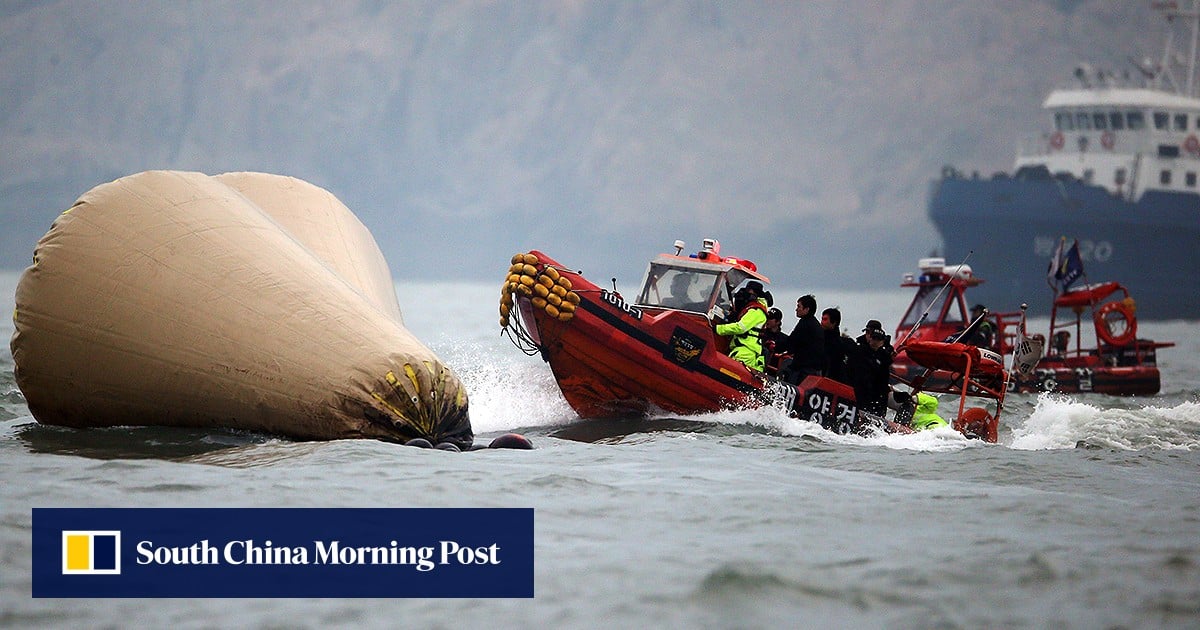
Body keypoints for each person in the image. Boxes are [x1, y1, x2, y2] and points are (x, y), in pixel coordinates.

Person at [715, 281, 769, 371]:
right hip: (740, 350)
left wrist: (718, 328)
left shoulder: (757, 311)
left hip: (746, 352)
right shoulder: (750, 309)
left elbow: (740, 327)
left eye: (749, 291)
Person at [848, 320, 893, 417]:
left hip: (878, 396)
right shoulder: (858, 349)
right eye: (868, 334)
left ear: (882, 341)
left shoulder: (885, 356)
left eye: (878, 339)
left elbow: (883, 378)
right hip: (860, 393)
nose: (874, 341)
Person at [783, 294, 826, 383]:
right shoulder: (815, 325)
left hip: (803, 371)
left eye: (799, 306)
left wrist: (777, 346)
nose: (796, 309)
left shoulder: (805, 324)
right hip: (813, 371)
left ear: (806, 309)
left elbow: (792, 341)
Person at [821, 307, 856, 384]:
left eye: (825, 319)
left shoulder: (840, 344)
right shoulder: (819, 338)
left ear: (834, 322)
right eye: (822, 319)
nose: (822, 322)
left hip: (833, 381)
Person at [760, 307, 789, 374]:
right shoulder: (760, 333)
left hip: (772, 374)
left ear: (778, 322)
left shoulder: (785, 339)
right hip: (758, 367)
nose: (767, 320)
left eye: (770, 318)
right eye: (767, 317)